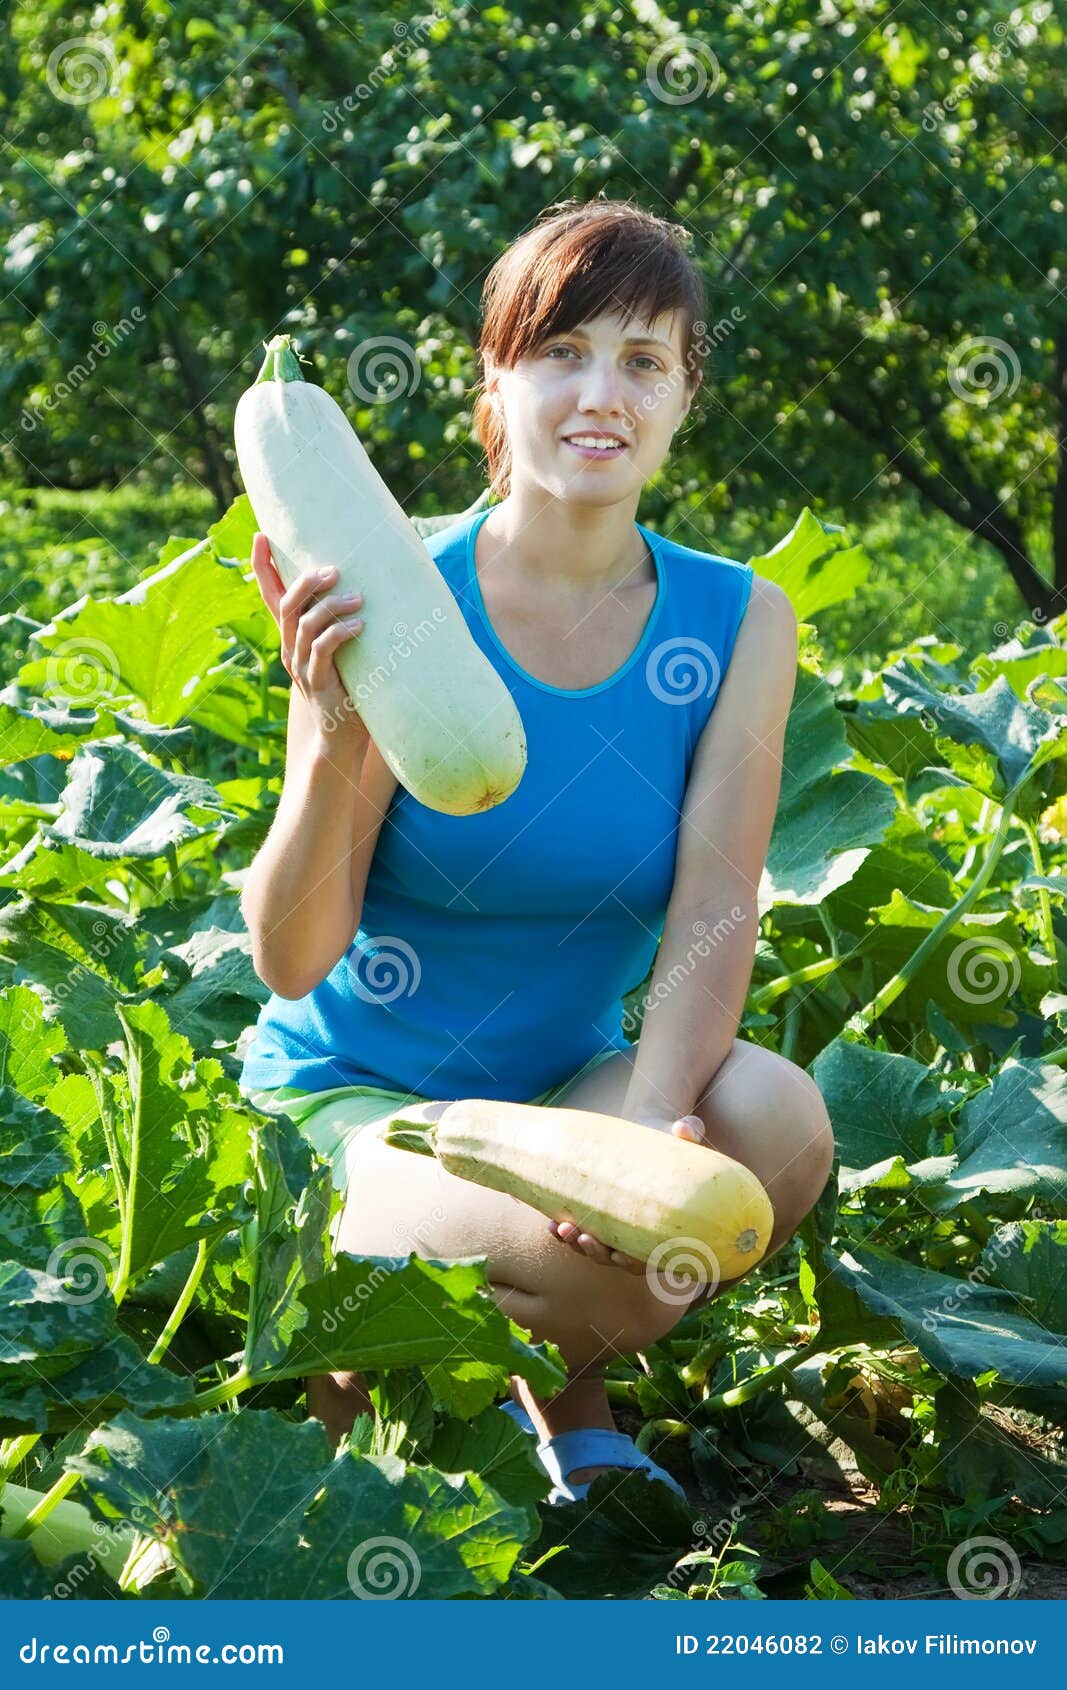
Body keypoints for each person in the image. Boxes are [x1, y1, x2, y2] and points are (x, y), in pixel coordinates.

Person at [237, 197, 834, 1504]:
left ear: (684, 397)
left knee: (772, 1130)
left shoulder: (740, 619)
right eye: (560, 351)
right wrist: (327, 737)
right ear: (495, 387)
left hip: (574, 1084)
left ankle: (525, 1394)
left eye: (643, 358)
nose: (600, 392)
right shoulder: (398, 597)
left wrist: (658, 1117)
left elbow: (716, 901)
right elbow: (289, 961)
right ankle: (406, 1391)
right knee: (589, 1258)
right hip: (365, 1107)